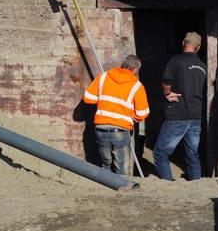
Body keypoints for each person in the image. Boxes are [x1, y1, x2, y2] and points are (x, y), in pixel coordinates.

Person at [81, 54, 149, 174]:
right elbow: (142, 113)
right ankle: (121, 190)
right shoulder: (137, 86)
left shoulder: (104, 76)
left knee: (105, 165)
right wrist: (130, 118)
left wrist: (104, 100)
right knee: (121, 168)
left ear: (123, 65)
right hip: (120, 131)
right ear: (136, 69)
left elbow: (88, 98)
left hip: (100, 129)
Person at [153, 32, 206, 180]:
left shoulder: (176, 61)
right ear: (198, 47)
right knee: (192, 153)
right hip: (196, 115)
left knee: (160, 153)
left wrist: (167, 94)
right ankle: (197, 184)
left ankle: (168, 184)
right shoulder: (203, 66)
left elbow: (166, 81)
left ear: (183, 43)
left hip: (178, 113)